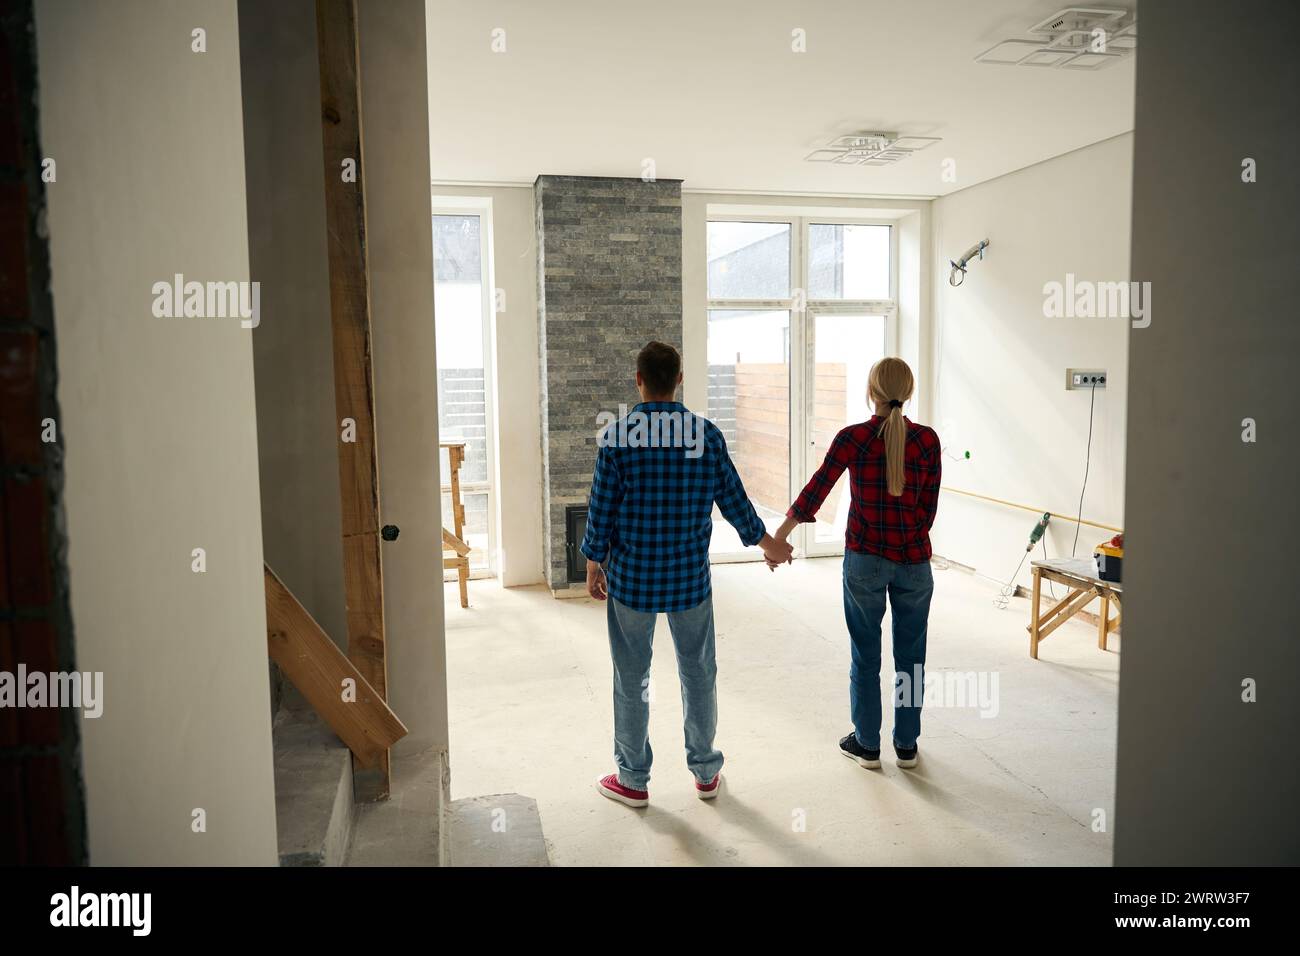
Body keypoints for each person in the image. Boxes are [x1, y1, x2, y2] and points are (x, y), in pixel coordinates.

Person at [581, 341, 794, 807]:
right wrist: (768, 544)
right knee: (698, 672)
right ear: (679, 380)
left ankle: (633, 781)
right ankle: (705, 773)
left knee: (631, 677)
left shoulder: (617, 437)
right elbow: (735, 503)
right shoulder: (706, 436)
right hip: (688, 582)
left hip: (632, 581)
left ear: (638, 380)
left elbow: (600, 513)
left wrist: (594, 563)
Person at [770, 357, 941, 770]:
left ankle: (867, 744)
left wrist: (781, 536)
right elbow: (928, 509)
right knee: (911, 657)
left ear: (872, 392)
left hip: (865, 561)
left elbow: (818, 488)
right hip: (915, 564)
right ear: (910, 391)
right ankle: (906, 745)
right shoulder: (928, 441)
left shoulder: (854, 437)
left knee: (866, 654)